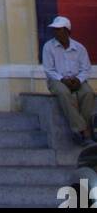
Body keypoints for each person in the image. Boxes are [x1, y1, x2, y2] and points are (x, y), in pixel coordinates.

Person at [41, 15, 96, 143]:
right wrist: (62, 79)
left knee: (88, 93)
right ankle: (83, 130)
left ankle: (81, 130)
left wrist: (78, 80)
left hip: (76, 79)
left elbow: (86, 68)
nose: (56, 32)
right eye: (55, 29)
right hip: (57, 80)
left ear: (67, 31)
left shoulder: (79, 48)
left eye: (59, 29)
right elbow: (49, 70)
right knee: (64, 93)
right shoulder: (48, 47)